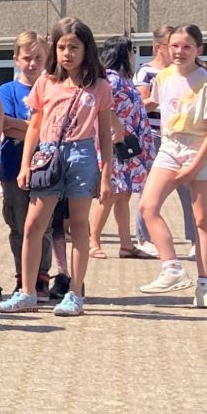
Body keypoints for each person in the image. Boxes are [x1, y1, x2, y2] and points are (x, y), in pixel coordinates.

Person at [0, 18, 115, 318]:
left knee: (78, 226)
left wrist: (105, 175)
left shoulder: (99, 87)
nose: (67, 53)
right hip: (47, 155)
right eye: (62, 47)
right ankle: (27, 291)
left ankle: (75, 293)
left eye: (74, 47)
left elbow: (104, 134)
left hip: (83, 154)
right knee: (33, 225)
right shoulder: (46, 82)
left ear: (86, 49)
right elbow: (34, 126)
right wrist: (25, 165)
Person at [137, 24, 207, 306]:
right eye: (174, 45)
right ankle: (172, 268)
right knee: (148, 207)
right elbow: (154, 103)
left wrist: (192, 168)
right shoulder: (162, 78)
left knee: (202, 220)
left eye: (186, 46)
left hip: (201, 151)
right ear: (165, 47)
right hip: (170, 148)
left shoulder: (206, 83)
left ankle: (204, 285)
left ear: (198, 50)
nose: (179, 51)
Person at [0, 31, 51, 296]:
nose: (33, 63)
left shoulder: (51, 88)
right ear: (16, 59)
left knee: (44, 225)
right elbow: (5, 125)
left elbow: (54, 126)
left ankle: (41, 276)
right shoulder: (7, 90)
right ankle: (21, 275)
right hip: (13, 163)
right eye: (27, 57)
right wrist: (37, 128)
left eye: (38, 57)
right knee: (17, 223)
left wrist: (26, 127)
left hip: (46, 164)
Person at [88, 39, 154, 262]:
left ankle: (126, 244)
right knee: (111, 194)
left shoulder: (124, 79)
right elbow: (104, 106)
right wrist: (116, 128)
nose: (135, 55)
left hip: (129, 146)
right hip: (116, 145)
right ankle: (93, 241)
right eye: (133, 50)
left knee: (124, 195)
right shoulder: (111, 79)